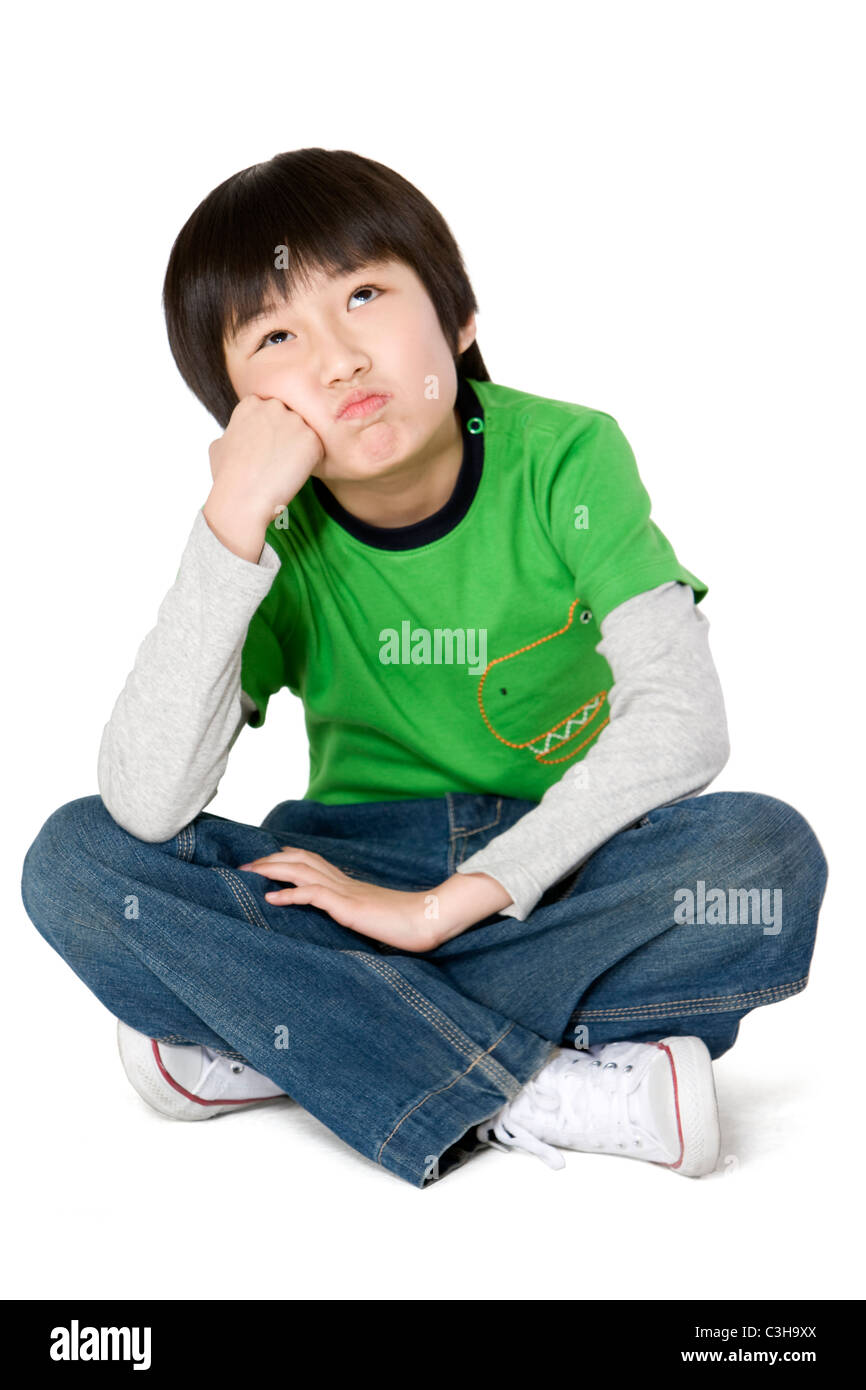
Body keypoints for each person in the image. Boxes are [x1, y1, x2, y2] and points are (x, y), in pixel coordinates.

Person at [20, 148, 828, 1188]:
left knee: (762, 865)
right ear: (238, 408)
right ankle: (533, 1081)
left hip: (560, 865)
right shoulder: (273, 533)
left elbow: (681, 721)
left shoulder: (566, 456)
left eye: (363, 294)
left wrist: (443, 910)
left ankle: (294, 1036)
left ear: (456, 316)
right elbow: (146, 801)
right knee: (76, 862)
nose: (340, 359)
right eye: (276, 336)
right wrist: (229, 524)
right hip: (347, 867)